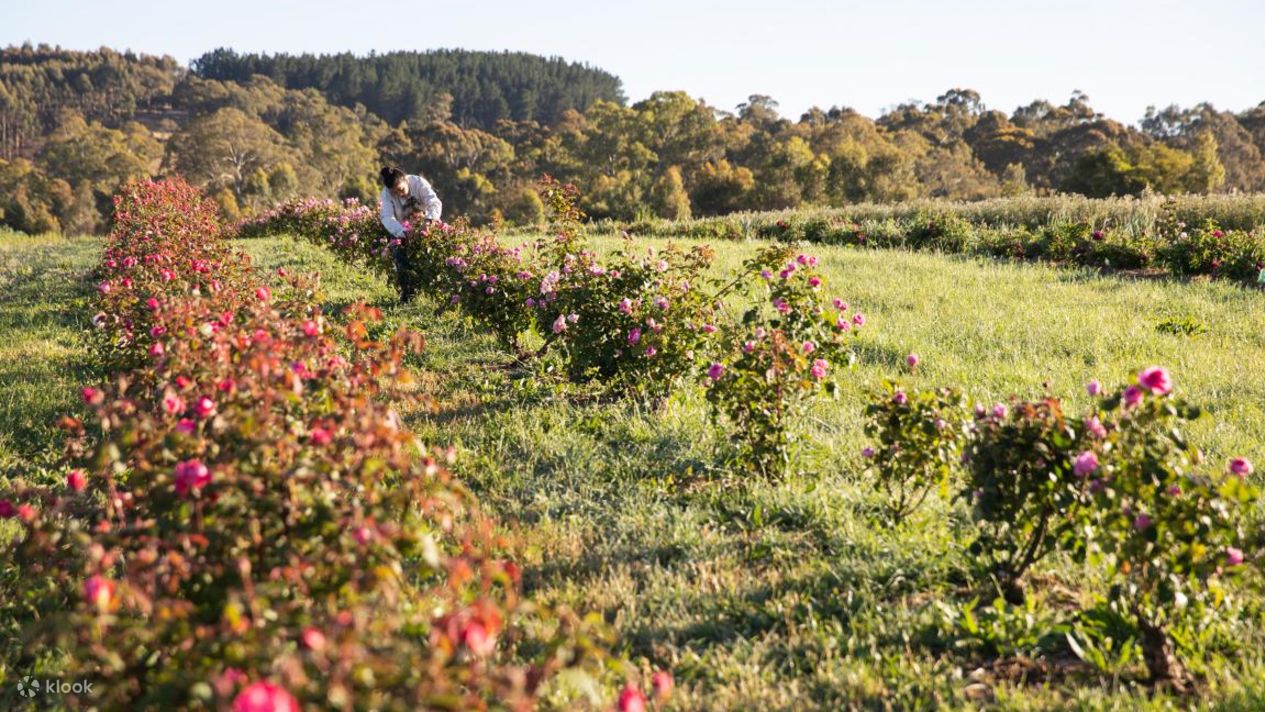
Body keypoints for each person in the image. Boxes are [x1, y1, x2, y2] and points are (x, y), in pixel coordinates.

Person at [378, 166, 443, 302]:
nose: (399, 194)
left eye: (401, 190)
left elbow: (434, 203)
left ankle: (435, 292)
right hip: (403, 229)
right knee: (400, 257)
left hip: (426, 224)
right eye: (395, 193)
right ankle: (408, 294)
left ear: (405, 180)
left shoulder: (418, 183)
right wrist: (404, 233)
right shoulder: (386, 194)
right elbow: (387, 217)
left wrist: (428, 222)